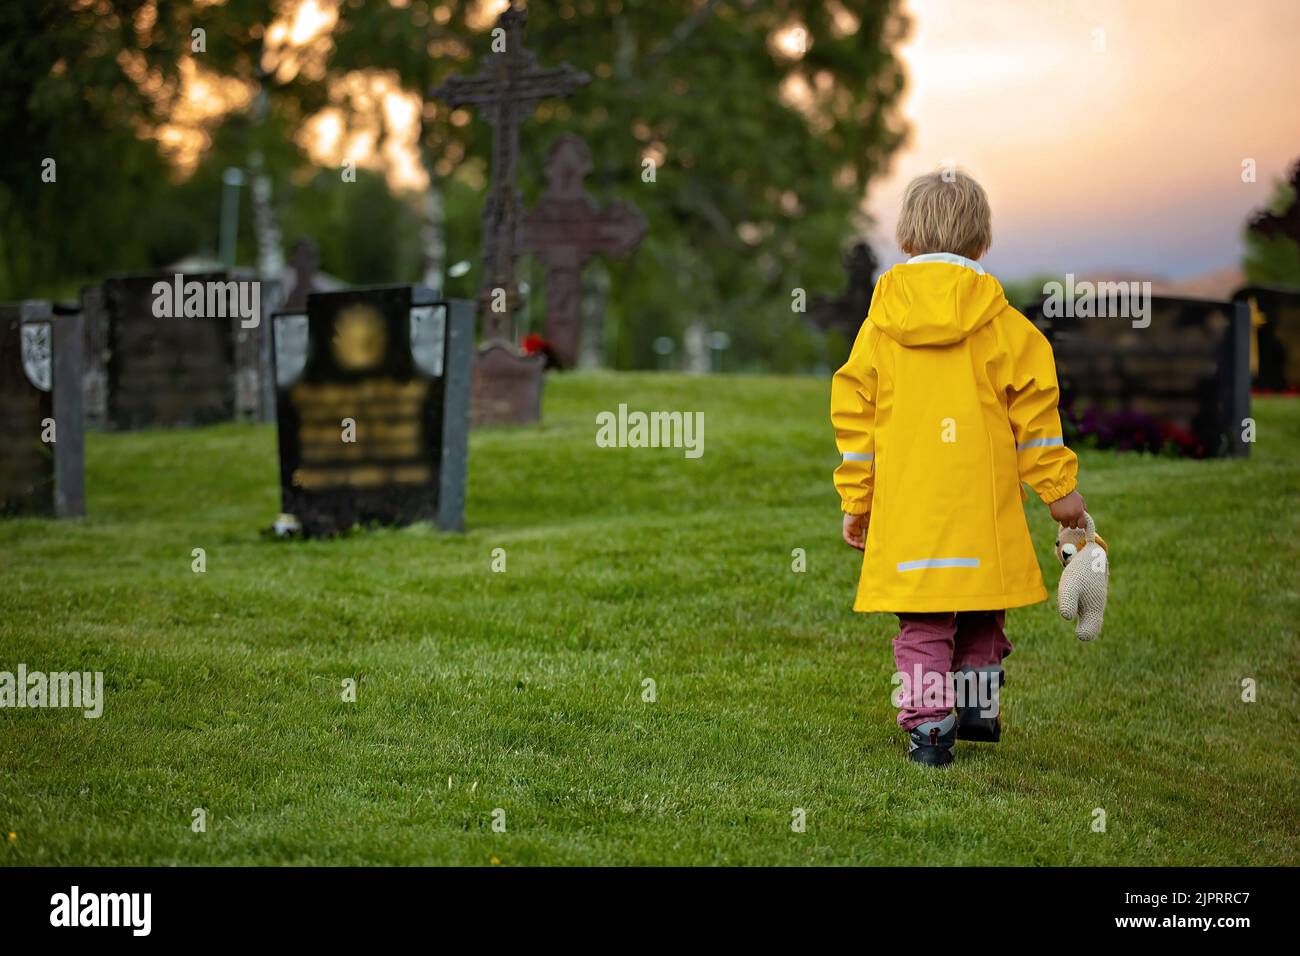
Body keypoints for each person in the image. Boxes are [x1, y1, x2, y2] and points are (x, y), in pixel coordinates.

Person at [831, 169, 1087, 767]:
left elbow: (856, 423)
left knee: (923, 621)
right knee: (979, 605)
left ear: (907, 238)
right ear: (981, 242)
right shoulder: (1007, 329)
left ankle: (929, 729)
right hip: (981, 514)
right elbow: (1038, 420)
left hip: (910, 517)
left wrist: (857, 498)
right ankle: (975, 704)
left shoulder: (879, 330)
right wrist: (1059, 494)